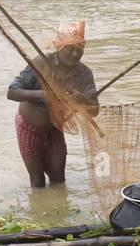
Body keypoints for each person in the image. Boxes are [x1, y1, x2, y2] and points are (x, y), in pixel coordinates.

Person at [7, 21, 99, 188]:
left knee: (58, 179)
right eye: (70, 49)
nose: (75, 54)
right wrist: (42, 95)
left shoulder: (84, 73)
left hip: (55, 127)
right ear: (59, 47)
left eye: (79, 50)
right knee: (37, 182)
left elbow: (95, 110)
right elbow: (12, 92)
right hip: (29, 126)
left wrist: (81, 99)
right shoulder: (42, 63)